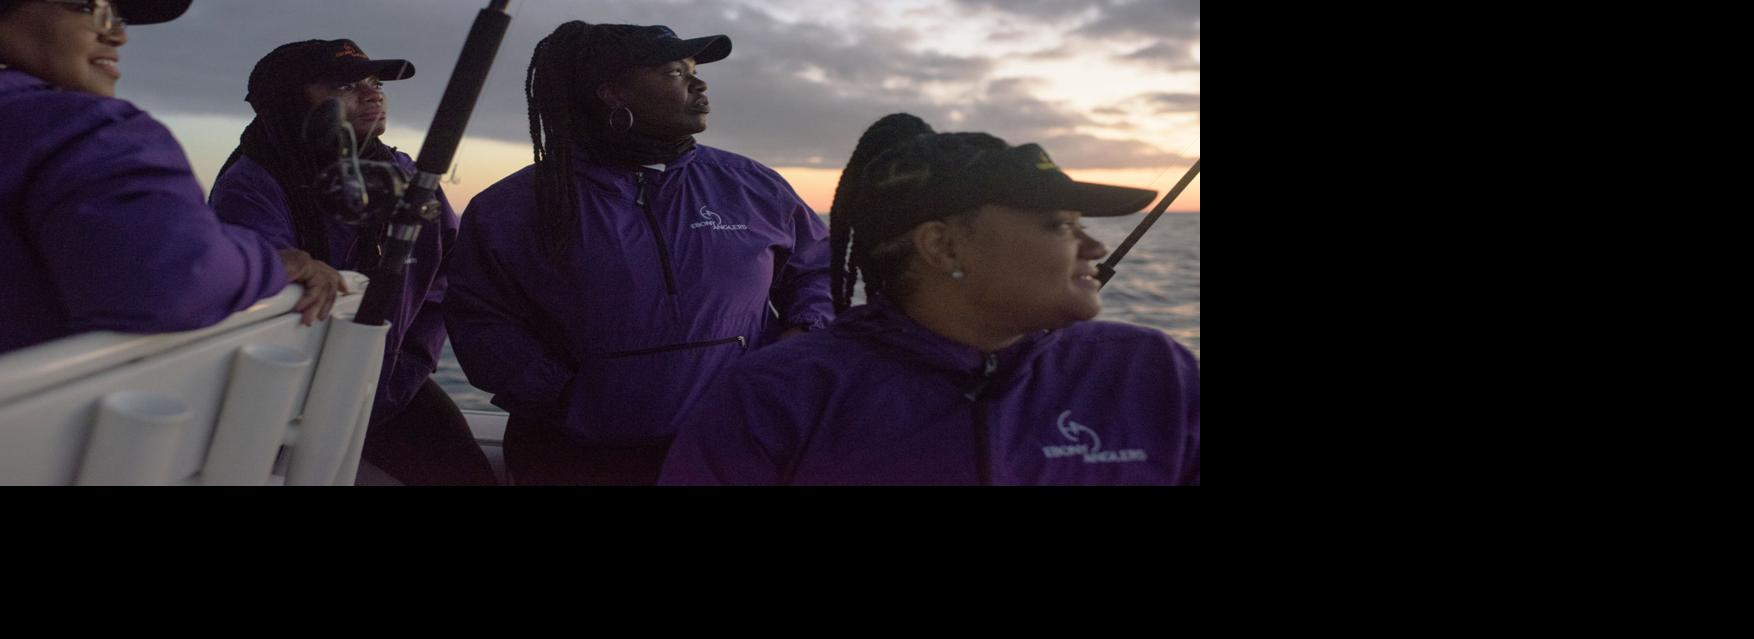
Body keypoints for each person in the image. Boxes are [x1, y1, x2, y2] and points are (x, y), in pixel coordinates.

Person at [657, 114, 1201, 485]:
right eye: (1059, 224)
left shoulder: (1154, 372)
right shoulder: (779, 395)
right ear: (941, 246)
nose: (1094, 246)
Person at [443, 21, 834, 486]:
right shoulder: (512, 207)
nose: (698, 82)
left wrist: (800, 339)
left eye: (693, 69)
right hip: (576, 458)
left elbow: (821, 273)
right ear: (612, 94)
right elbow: (479, 320)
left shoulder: (752, 186)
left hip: (732, 448)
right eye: (673, 72)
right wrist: (568, 397)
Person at [207, 38, 494, 486]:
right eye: (346, 85)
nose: (373, 93)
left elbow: (444, 279)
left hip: (390, 384)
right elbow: (256, 288)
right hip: (284, 393)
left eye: (375, 82)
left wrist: (406, 368)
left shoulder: (407, 178)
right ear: (288, 102)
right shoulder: (251, 186)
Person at [0, 0, 343, 356]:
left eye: (119, 16)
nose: (118, 35)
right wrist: (276, 264)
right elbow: (173, 277)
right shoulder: (89, 133)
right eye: (92, 7)